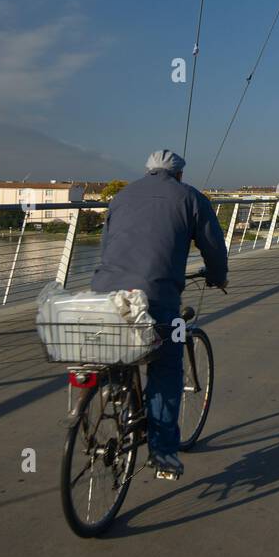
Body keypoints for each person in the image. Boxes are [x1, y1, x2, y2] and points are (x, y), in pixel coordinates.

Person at [90, 149, 228, 480]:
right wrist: (218, 275)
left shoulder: (122, 195)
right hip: (155, 294)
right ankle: (164, 454)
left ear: (148, 171)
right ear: (179, 174)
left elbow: (108, 243)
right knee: (166, 367)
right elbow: (212, 244)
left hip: (106, 292)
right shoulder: (190, 198)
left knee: (115, 349)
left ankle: (111, 385)